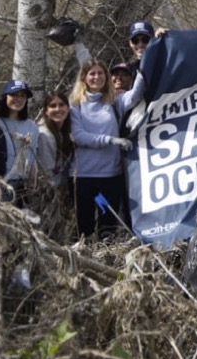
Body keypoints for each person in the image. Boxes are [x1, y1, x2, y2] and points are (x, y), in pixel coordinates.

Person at [70, 60, 144, 236]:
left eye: (100, 73)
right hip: (84, 177)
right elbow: (79, 136)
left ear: (107, 77)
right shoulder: (75, 104)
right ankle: (85, 261)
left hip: (110, 177)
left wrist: (145, 63)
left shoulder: (114, 101)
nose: (97, 77)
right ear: (84, 78)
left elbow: (135, 95)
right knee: (85, 226)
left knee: (108, 225)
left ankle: (105, 261)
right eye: (92, 74)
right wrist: (111, 140)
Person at [0, 79, 51, 191]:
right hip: (0, 182)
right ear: (5, 97)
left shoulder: (31, 126)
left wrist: (32, 179)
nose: (18, 99)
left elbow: (32, 158)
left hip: (22, 184)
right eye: (14, 95)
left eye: (23, 96)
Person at [37, 89, 75, 200]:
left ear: (68, 108)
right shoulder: (45, 135)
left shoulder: (65, 132)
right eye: (53, 106)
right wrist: (58, 189)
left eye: (61, 105)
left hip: (59, 189)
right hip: (46, 193)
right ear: (46, 111)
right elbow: (47, 172)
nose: (58, 109)